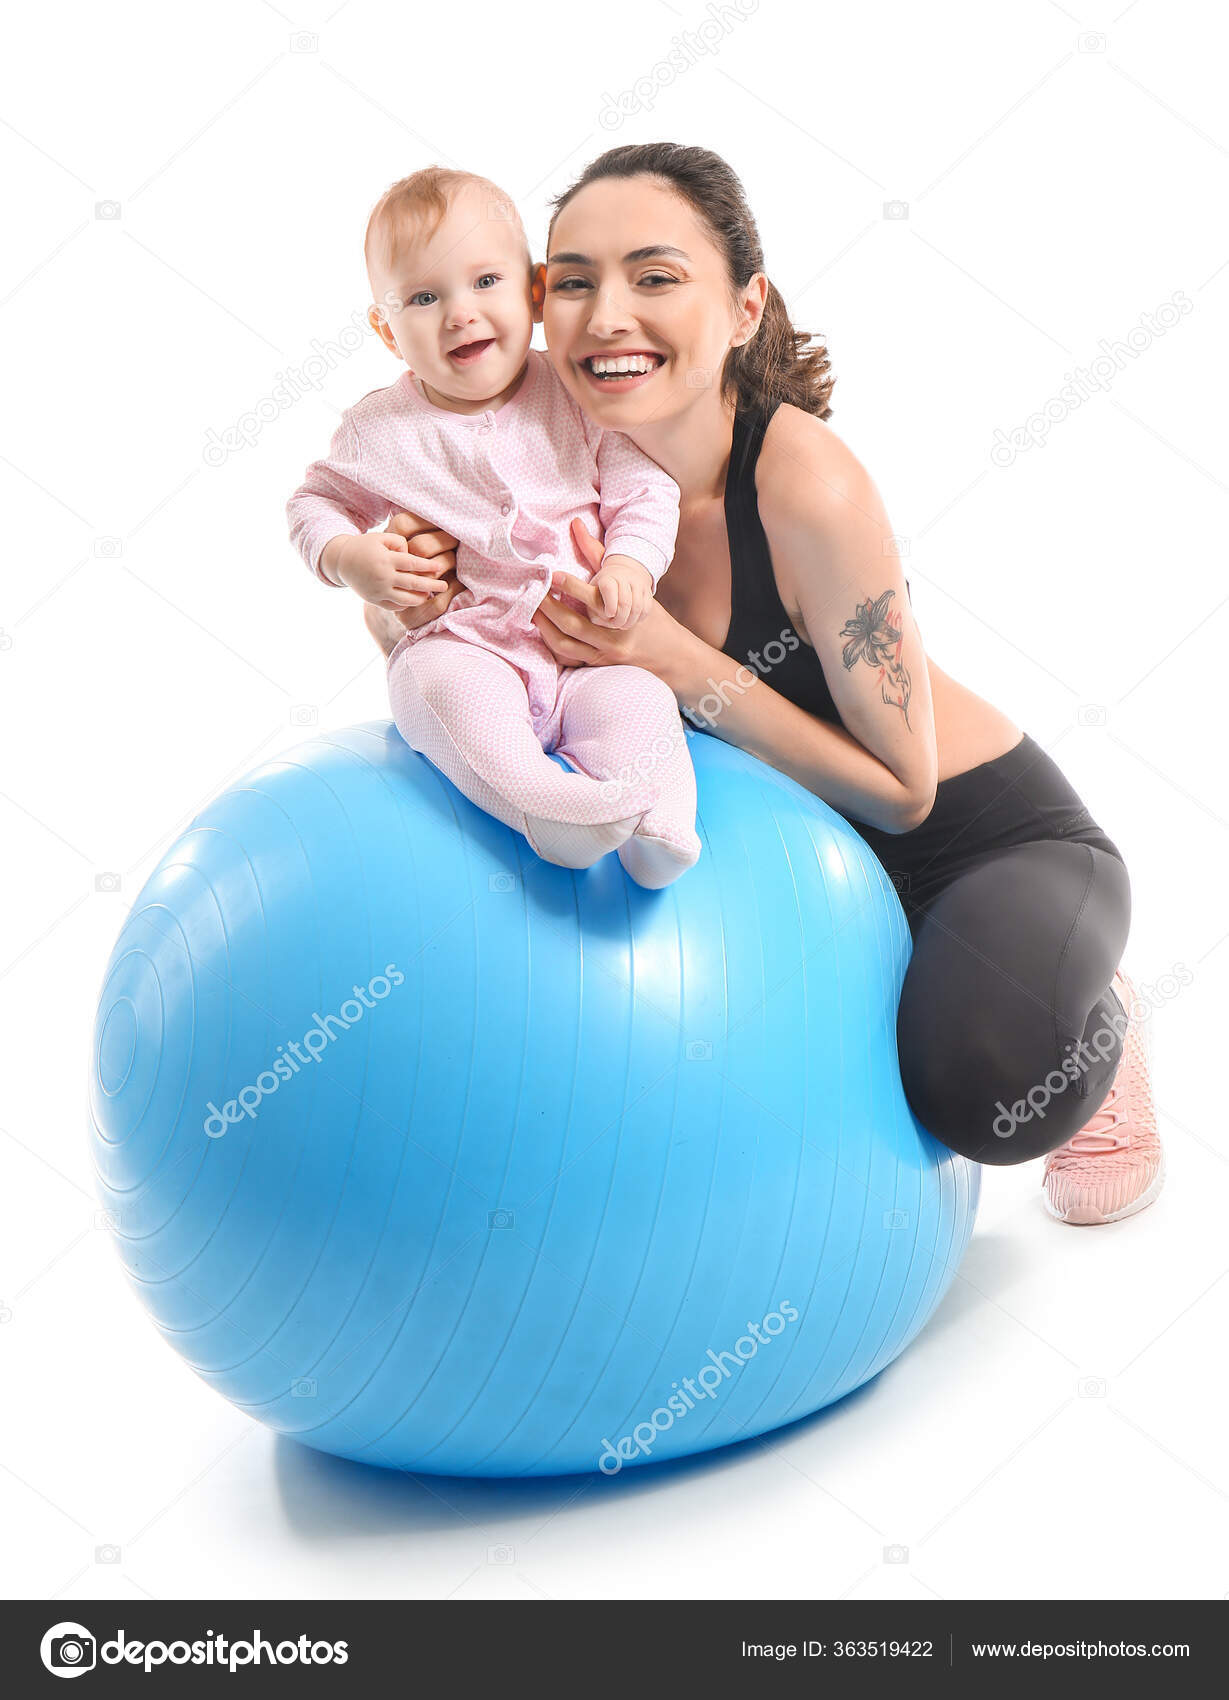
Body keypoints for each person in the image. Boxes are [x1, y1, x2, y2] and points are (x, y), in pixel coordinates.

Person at [368, 143, 1162, 1227]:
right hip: (791, 875)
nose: (607, 316)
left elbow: (902, 793)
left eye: (655, 277)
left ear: (743, 308)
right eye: (573, 280)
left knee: (982, 1092)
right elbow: (475, 672)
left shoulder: (801, 483)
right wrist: (391, 599)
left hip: (972, 846)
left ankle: (1097, 1017)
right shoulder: (514, 460)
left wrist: (670, 655)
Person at [287, 166, 700, 889]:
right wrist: (350, 556)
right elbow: (312, 504)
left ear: (533, 293)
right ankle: (544, 812)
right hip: (469, 641)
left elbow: (641, 484)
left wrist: (630, 565)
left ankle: (657, 821)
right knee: (441, 691)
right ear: (386, 330)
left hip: (585, 651)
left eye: (485, 283)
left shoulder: (571, 390)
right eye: (423, 297)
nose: (459, 313)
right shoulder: (382, 429)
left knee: (639, 701)